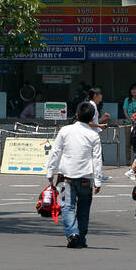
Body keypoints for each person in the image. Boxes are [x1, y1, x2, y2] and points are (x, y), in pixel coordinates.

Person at [46, 102, 105, 248]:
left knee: (67, 206)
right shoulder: (94, 135)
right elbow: (97, 159)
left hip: (68, 175)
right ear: (92, 117)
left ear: (77, 115)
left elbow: (55, 151)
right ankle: (82, 238)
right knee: (84, 209)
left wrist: (50, 171)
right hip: (86, 177)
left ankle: (73, 233)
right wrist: (98, 181)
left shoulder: (65, 130)